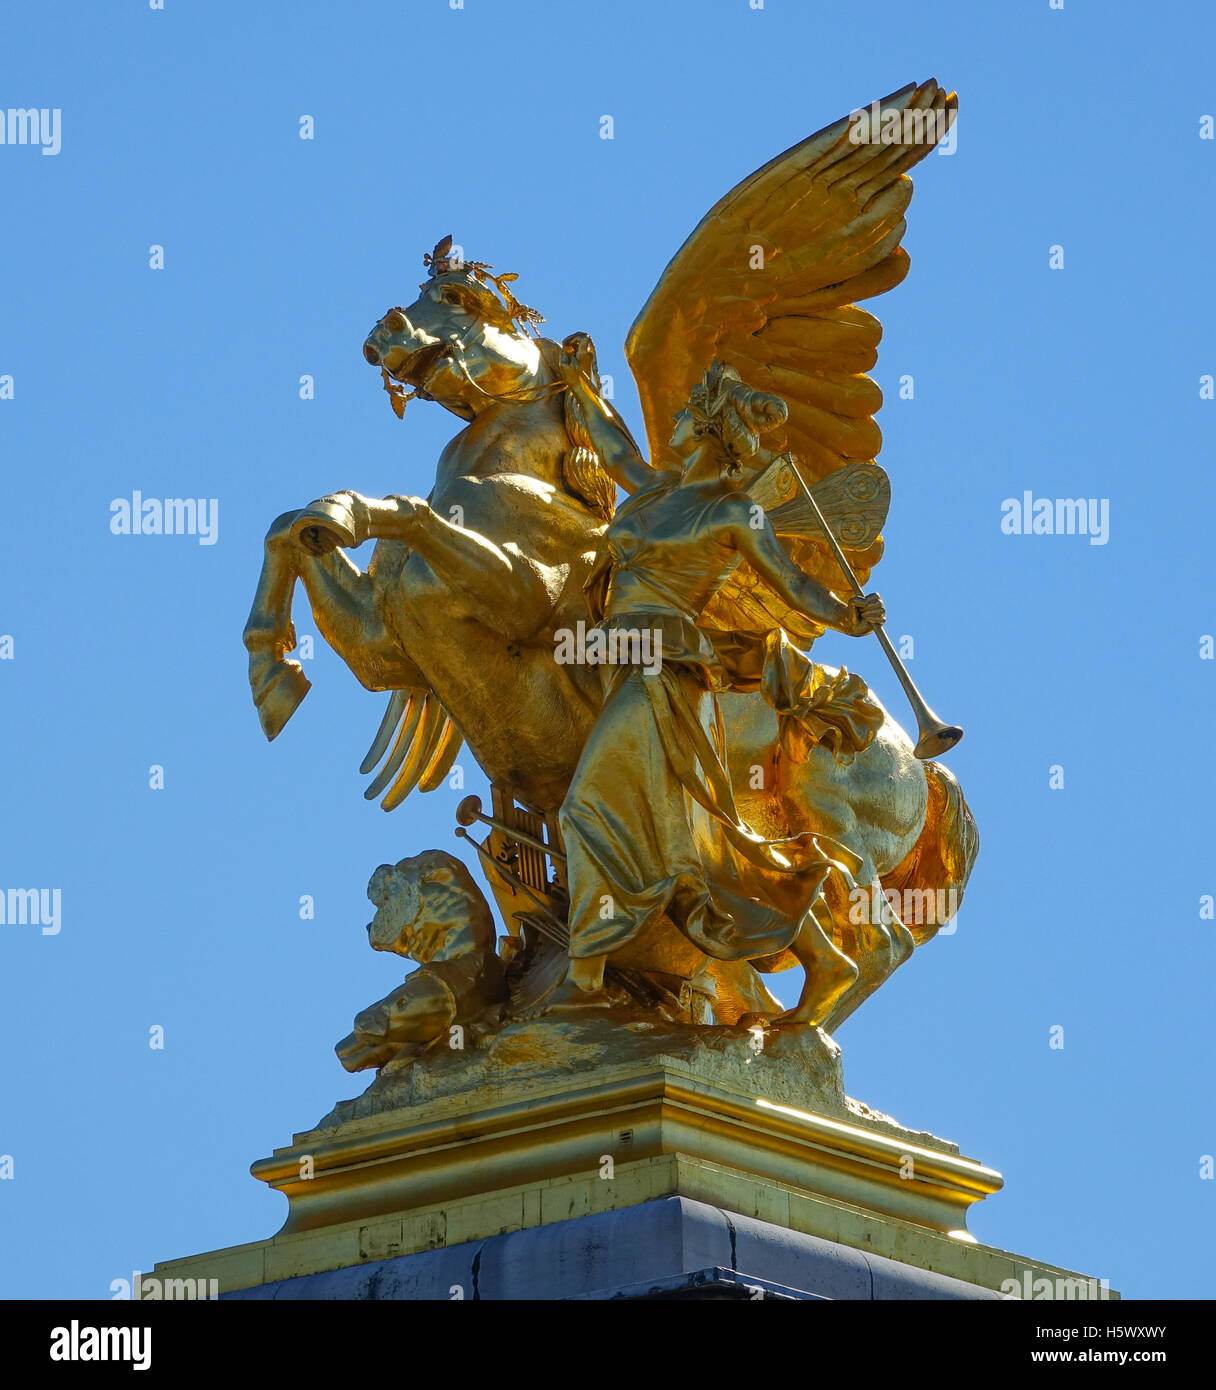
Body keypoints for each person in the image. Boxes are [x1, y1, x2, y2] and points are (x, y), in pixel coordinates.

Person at [546, 356, 886, 1025]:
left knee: (586, 808)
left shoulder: (733, 513)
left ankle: (583, 979)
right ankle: (822, 956)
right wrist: (568, 377)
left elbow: (793, 584)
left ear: (707, 423)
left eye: (685, 409)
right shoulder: (651, 491)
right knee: (690, 844)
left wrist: (847, 614)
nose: (670, 417)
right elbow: (607, 439)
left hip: (666, 669)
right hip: (619, 658)